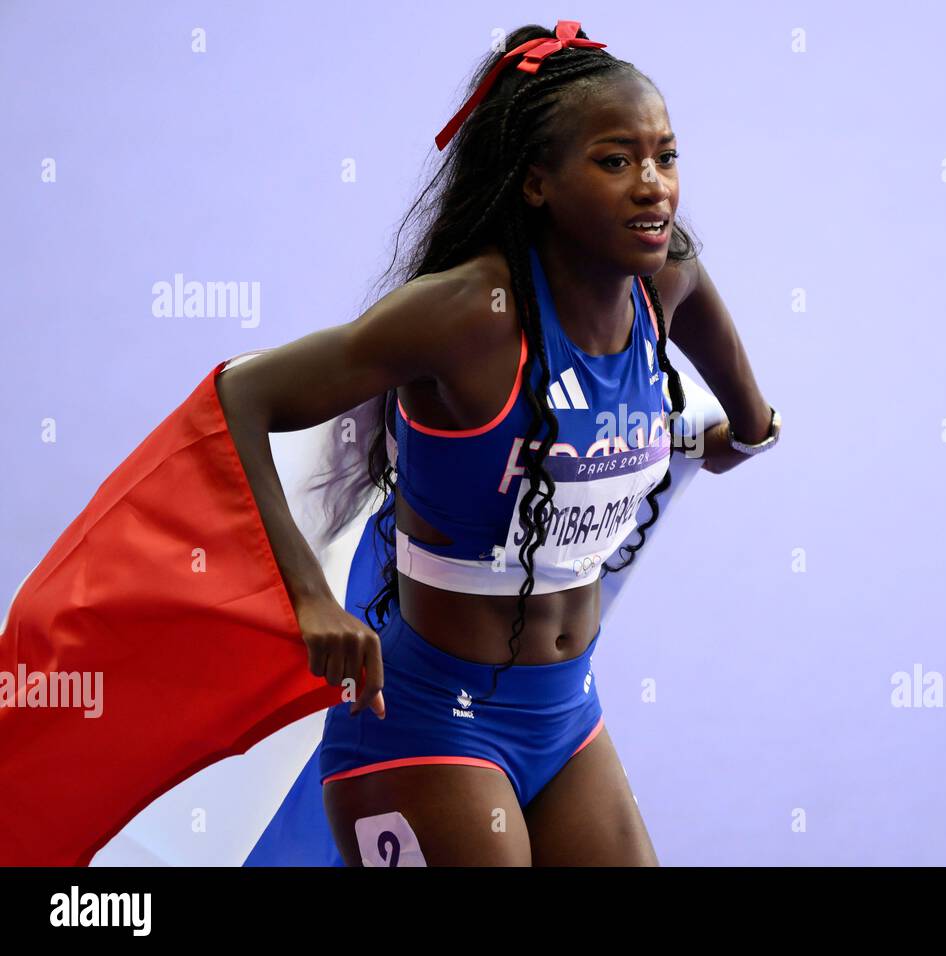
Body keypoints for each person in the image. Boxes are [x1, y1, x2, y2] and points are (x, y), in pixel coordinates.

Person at [215, 20, 781, 867]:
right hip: (422, 721)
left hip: (568, 713)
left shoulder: (661, 281)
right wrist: (305, 600)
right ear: (537, 184)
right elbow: (243, 395)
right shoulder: (467, 319)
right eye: (615, 160)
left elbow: (704, 310)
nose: (653, 187)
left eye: (665, 156)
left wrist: (749, 421)